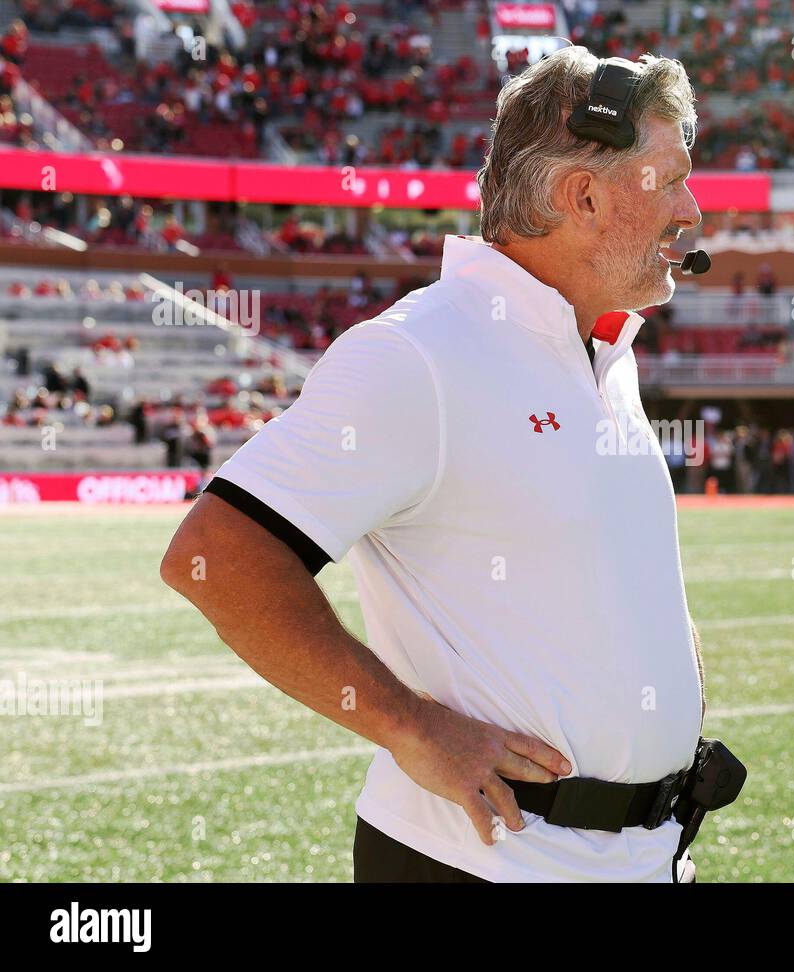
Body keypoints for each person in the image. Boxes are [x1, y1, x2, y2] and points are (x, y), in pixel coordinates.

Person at [162, 49, 714, 884]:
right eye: (669, 179)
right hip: (485, 863)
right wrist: (410, 726)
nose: (691, 209)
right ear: (584, 196)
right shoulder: (417, 354)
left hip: (635, 856)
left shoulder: (600, 347)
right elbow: (214, 556)